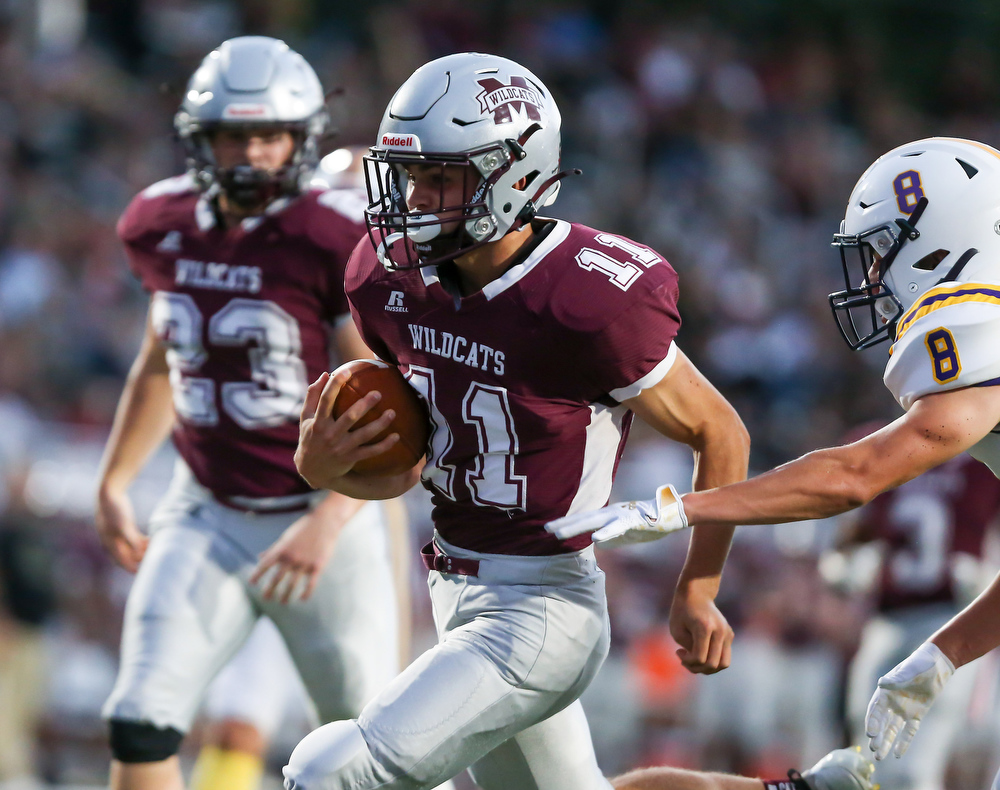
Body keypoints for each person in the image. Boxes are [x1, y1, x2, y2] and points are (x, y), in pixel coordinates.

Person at [284, 52, 874, 790]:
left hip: (544, 605)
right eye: (409, 176)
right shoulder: (386, 278)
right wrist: (323, 467)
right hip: (454, 586)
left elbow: (720, 432)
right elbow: (412, 460)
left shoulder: (588, 298)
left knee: (333, 771)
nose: (415, 198)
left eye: (440, 178)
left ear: (514, 175)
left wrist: (698, 586)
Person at [547, 135, 1000, 783]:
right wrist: (944, 653)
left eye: (882, 252)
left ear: (947, 241)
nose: (871, 279)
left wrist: (684, 509)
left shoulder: (979, 336)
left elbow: (855, 476)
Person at [95, 36, 401, 790]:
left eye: (271, 135)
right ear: (201, 137)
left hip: (320, 515)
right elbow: (161, 362)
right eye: (235, 135)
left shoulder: (331, 236)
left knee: (379, 751)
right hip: (206, 509)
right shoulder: (157, 220)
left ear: (303, 138)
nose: (253, 153)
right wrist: (114, 479)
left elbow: (387, 402)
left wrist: (329, 521)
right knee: (139, 723)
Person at [832, 450, 1000, 790]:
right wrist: (842, 566)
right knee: (864, 754)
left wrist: (988, 570)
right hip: (886, 623)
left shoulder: (986, 459)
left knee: (918, 761)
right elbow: (849, 538)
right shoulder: (885, 448)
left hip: (953, 619)